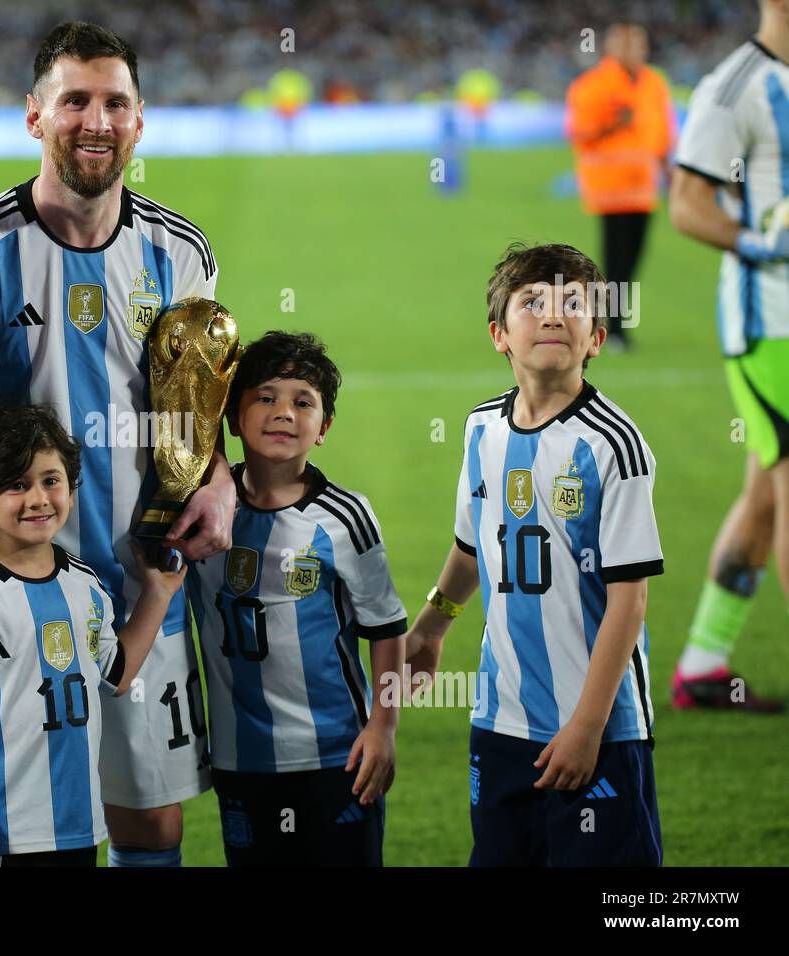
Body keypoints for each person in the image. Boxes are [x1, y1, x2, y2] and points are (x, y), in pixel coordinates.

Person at [0, 21, 233, 867]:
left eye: (116, 103)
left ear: (140, 122)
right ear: (35, 116)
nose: (96, 121)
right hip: (13, 596)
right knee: (24, 824)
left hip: (146, 573)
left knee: (150, 819)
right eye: (75, 100)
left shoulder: (178, 252)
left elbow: (194, 412)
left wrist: (217, 479)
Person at [404, 243, 665, 866]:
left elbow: (630, 600)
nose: (554, 314)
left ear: (596, 337)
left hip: (599, 724)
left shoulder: (615, 447)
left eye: (573, 303)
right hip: (501, 718)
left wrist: (586, 727)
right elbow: (473, 545)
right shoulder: (480, 429)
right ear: (499, 334)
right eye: (532, 302)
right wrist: (431, 627)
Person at [0, 405, 186, 867]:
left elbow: (116, 673)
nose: (38, 499)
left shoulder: (85, 584)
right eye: (16, 485)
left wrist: (157, 596)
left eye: (50, 480)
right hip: (3, 826)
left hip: (79, 820)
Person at [185, 332, 406, 866]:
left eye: (302, 402)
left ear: (324, 428)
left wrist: (384, 727)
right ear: (232, 420)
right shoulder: (201, 513)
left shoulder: (346, 518)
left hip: (337, 754)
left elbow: (387, 629)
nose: (283, 412)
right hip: (242, 759)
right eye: (264, 397)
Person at [668, 0, 789, 713]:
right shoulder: (737, 85)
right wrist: (761, 242)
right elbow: (686, 202)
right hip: (770, 325)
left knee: (764, 497)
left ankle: (704, 666)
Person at [566, 22, 674, 351]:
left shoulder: (654, 82)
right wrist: (613, 123)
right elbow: (579, 131)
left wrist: (668, 168)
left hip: (643, 187)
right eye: (626, 45)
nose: (634, 51)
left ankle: (615, 325)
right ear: (611, 49)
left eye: (638, 45)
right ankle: (614, 329)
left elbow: (662, 130)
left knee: (632, 260)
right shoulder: (593, 85)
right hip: (610, 187)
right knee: (615, 262)